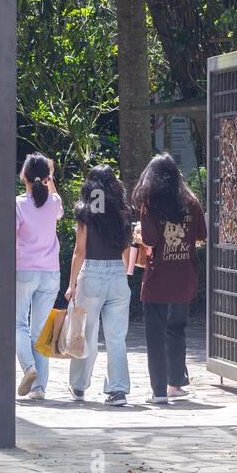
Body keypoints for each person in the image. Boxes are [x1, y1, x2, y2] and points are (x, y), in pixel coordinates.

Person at [131, 153, 206, 404]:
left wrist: (139, 236)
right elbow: (201, 235)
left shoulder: (150, 205)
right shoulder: (191, 202)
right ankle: (176, 384)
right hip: (184, 275)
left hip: (158, 278)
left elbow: (151, 241)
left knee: (155, 334)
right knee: (177, 330)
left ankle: (159, 392)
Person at [66, 164, 135, 407]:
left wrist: (72, 284)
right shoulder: (123, 211)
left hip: (92, 274)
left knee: (88, 333)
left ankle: (78, 386)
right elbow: (128, 247)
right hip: (117, 273)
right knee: (117, 337)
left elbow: (80, 251)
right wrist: (124, 274)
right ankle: (117, 391)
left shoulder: (85, 212)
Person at [15, 153, 62, 400]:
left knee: (18, 324)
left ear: (23, 175)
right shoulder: (54, 202)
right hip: (51, 272)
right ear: (45, 178)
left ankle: (29, 368)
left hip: (24, 270)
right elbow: (58, 206)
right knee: (41, 330)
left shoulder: (19, 204)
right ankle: (39, 388)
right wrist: (50, 177)